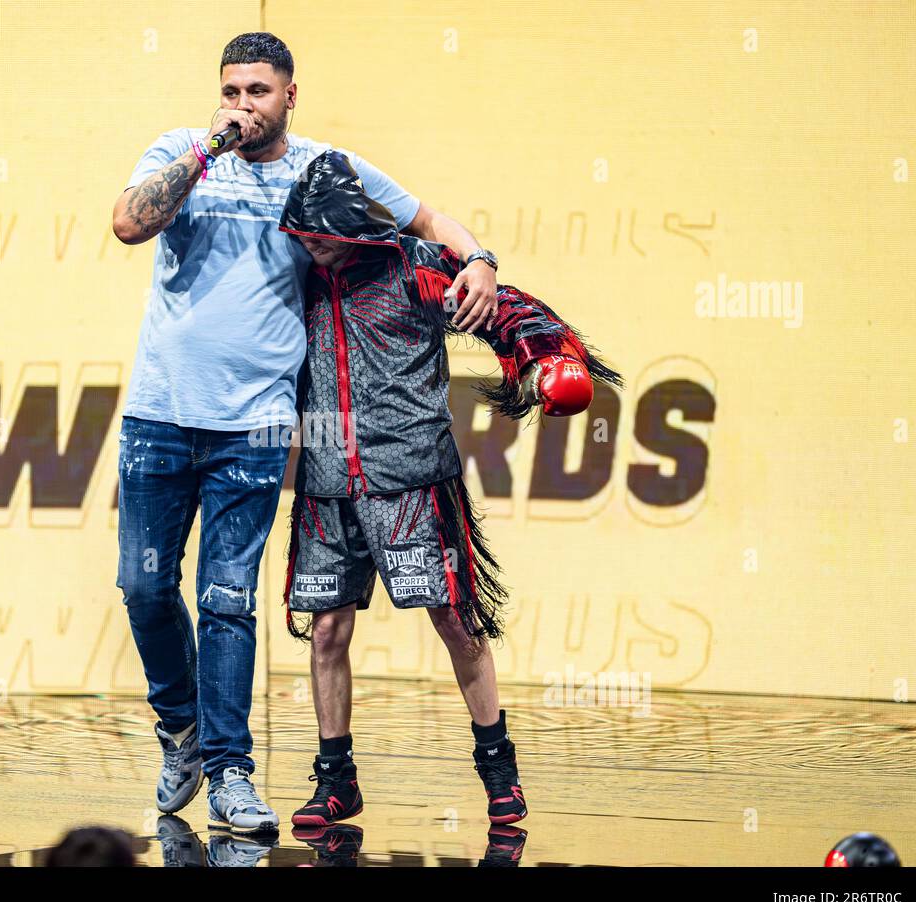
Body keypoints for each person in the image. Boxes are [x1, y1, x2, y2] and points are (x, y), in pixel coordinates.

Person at [111, 33, 505, 835]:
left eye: (258, 92)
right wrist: (208, 152)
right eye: (231, 91)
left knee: (226, 600)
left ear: (290, 95)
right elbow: (127, 223)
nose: (242, 105)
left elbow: (432, 219)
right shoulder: (183, 150)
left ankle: (228, 775)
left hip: (252, 427)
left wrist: (483, 261)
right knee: (145, 589)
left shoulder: (326, 168)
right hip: (160, 413)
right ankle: (180, 730)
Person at [277, 150, 622, 828]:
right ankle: (335, 781)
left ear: (351, 229)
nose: (310, 247)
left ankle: (501, 775)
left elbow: (507, 311)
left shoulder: (414, 267)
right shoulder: (301, 279)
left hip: (413, 479)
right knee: (326, 633)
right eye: (302, 236)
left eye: (321, 236)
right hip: (326, 484)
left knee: (458, 625)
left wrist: (547, 358)